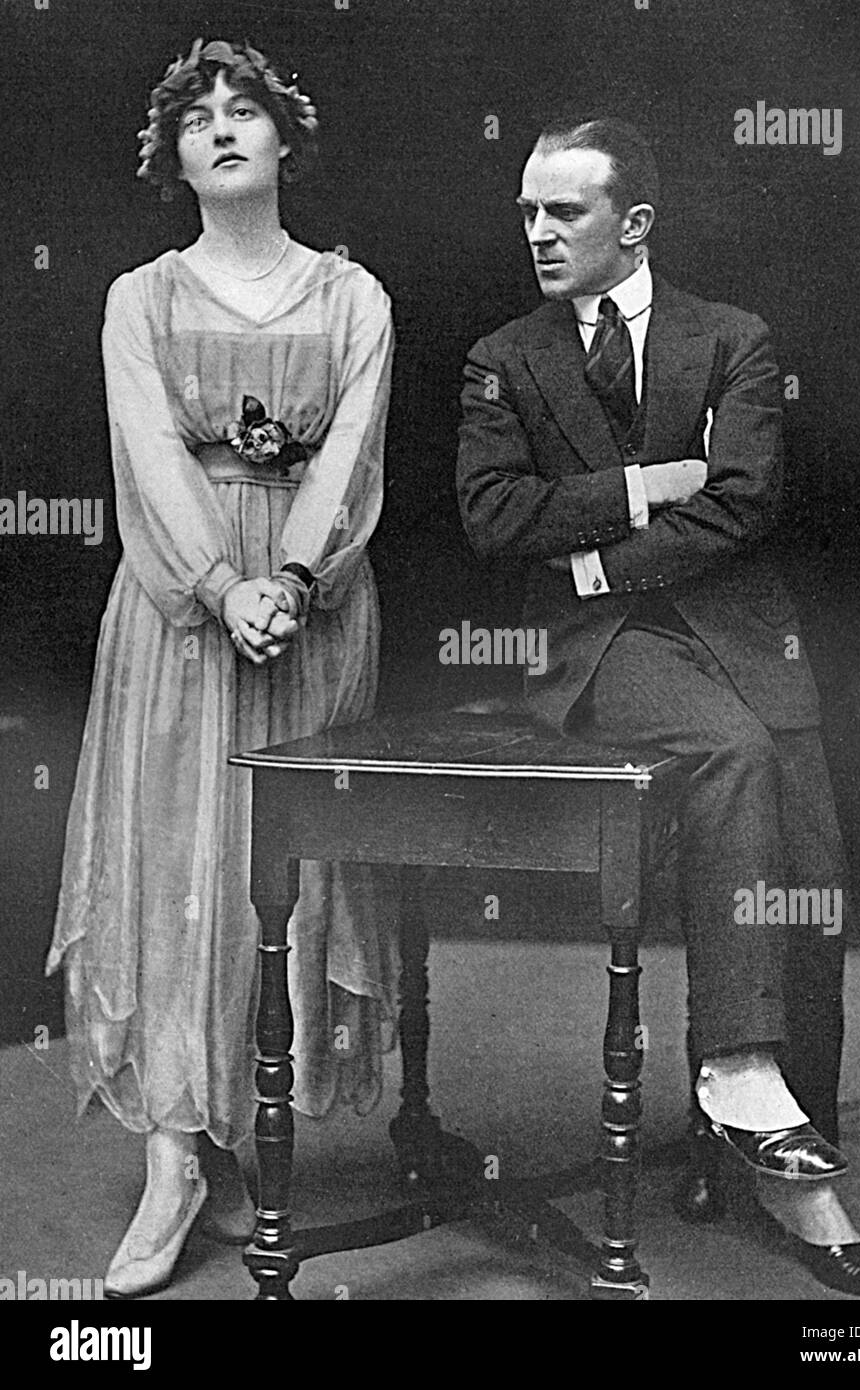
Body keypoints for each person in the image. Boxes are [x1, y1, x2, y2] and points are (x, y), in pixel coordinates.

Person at [456, 115, 860, 1297]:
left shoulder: (732, 340)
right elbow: (493, 516)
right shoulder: (505, 355)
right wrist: (651, 480)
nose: (537, 233)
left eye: (564, 213)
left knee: (808, 861)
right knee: (733, 754)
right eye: (528, 213)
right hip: (602, 650)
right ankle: (739, 1074)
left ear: (633, 224)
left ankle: (774, 1162)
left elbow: (745, 499)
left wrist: (594, 546)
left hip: (738, 630)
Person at [46, 38, 398, 1298]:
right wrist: (219, 583)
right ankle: (173, 1155)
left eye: (246, 110)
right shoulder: (138, 297)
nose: (224, 129)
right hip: (181, 608)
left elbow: (353, 450)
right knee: (174, 851)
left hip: (309, 607)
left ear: (286, 139)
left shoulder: (355, 298)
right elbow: (145, 452)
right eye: (199, 119)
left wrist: (291, 579)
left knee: (281, 857)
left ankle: (263, 1122)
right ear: (173, 155)